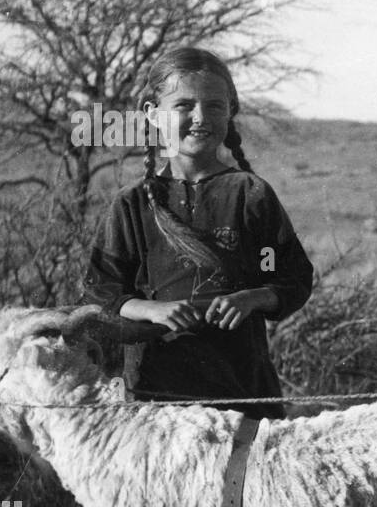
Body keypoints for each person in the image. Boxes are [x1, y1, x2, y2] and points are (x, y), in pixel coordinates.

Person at [84, 46, 314, 420]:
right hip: (156, 400)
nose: (200, 117)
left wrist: (253, 297)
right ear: (152, 114)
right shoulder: (131, 206)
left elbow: (294, 278)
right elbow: (102, 290)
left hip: (243, 395)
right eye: (183, 105)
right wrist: (152, 310)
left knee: (245, 479)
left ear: (231, 113)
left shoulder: (250, 195)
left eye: (215, 106)